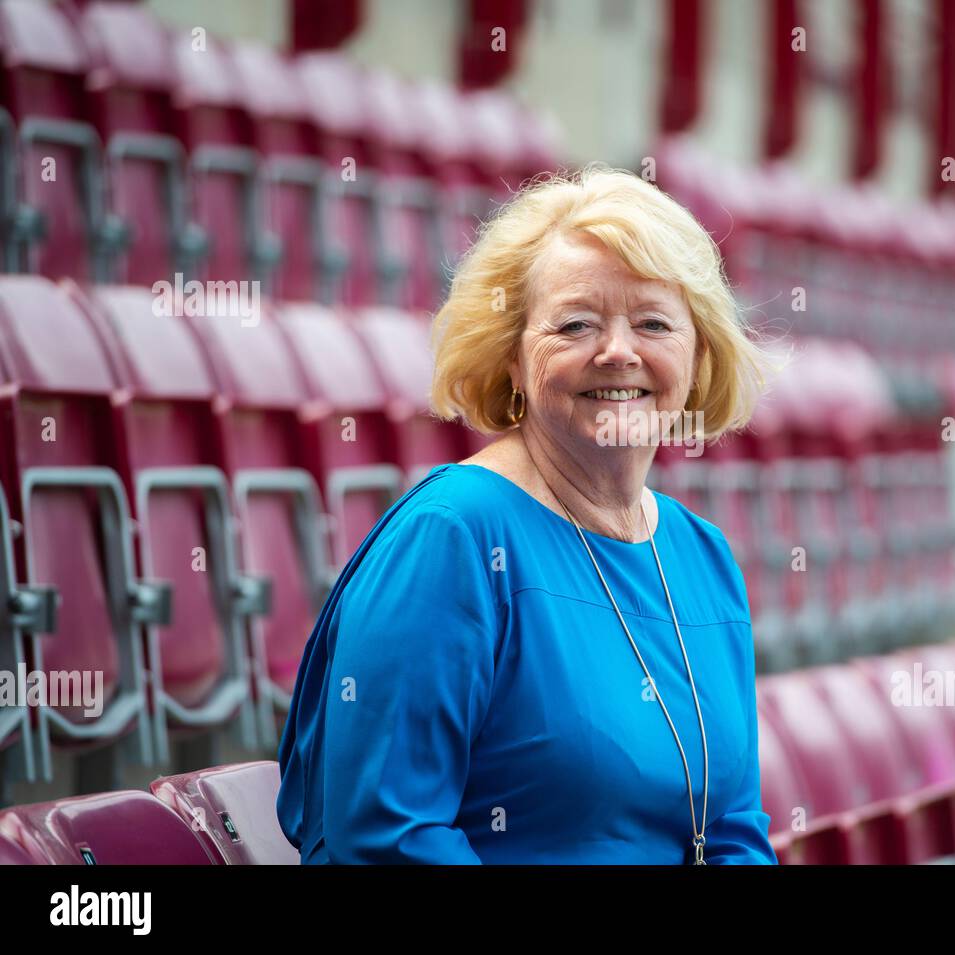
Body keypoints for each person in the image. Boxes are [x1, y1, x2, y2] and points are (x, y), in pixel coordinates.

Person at [277, 164, 782, 863]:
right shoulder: (451, 537)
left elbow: (731, 830)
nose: (618, 351)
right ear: (512, 357)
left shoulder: (704, 556)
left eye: (654, 322)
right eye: (575, 323)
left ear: (697, 357)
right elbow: (388, 839)